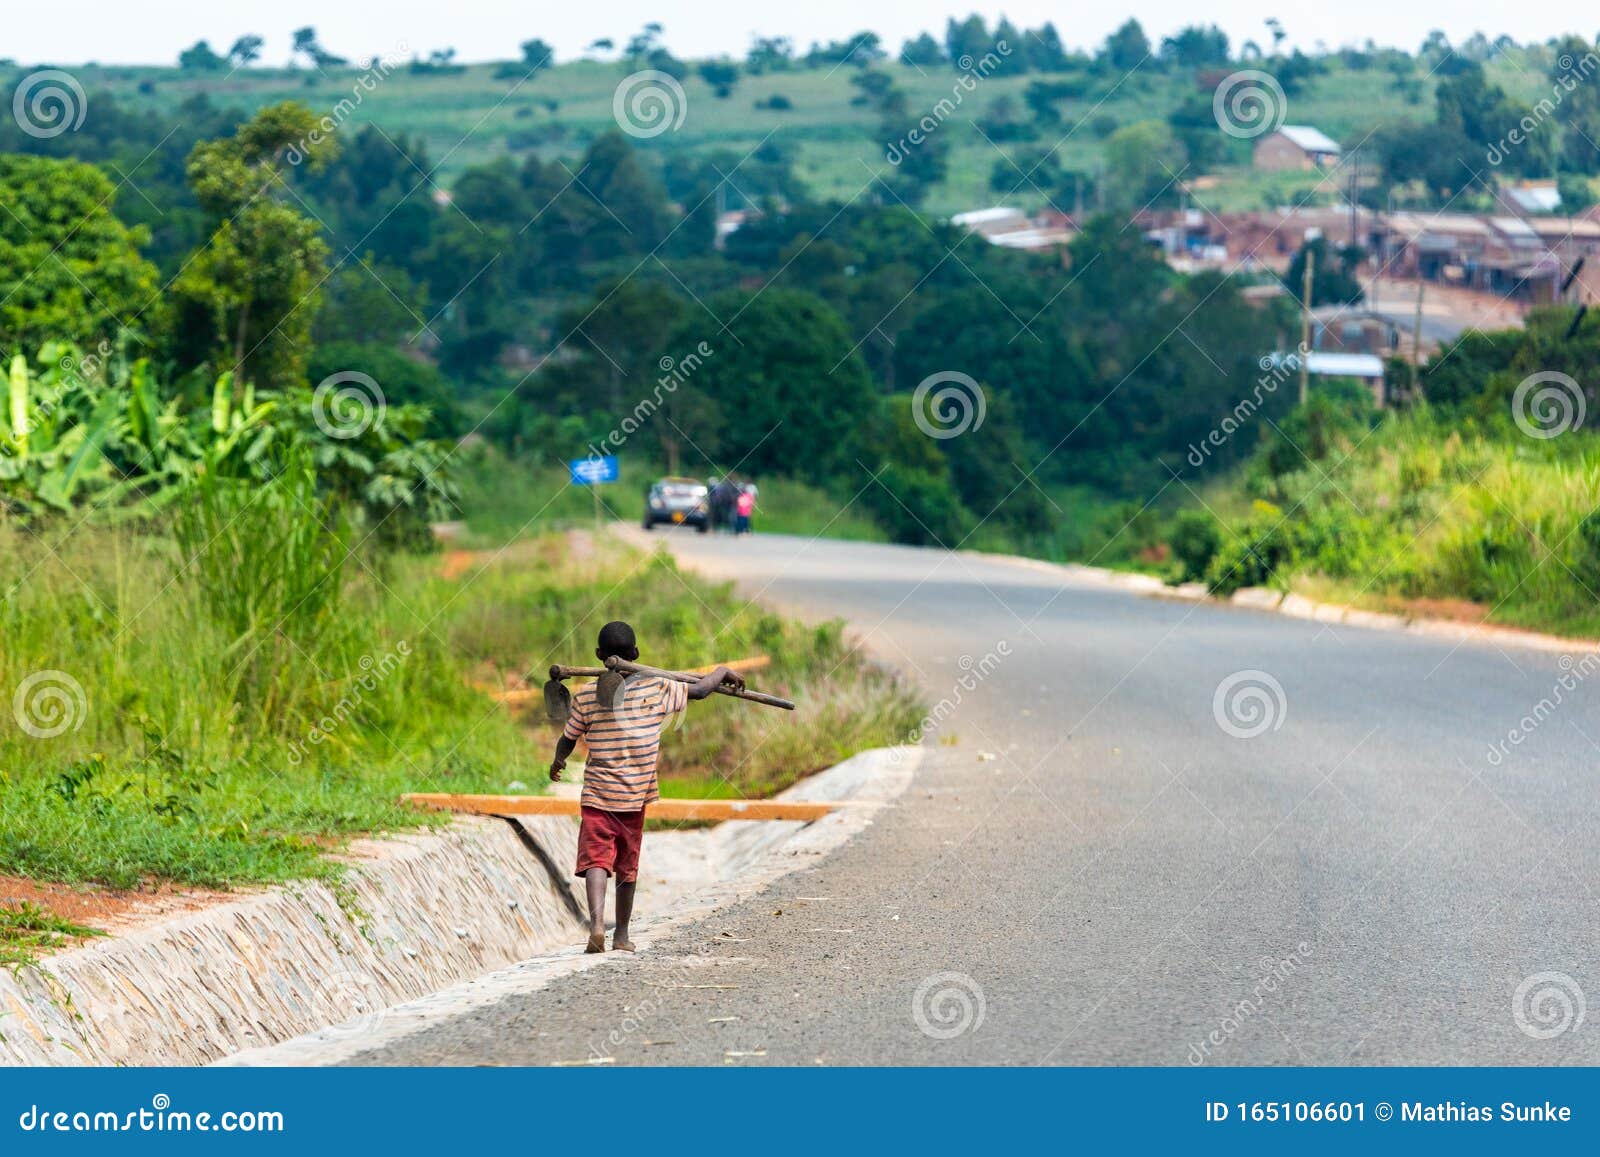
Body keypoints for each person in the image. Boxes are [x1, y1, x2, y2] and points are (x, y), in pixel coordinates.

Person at [548, 621, 745, 952]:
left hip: (597, 796)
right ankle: (621, 935)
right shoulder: (656, 689)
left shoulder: (584, 697)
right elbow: (699, 690)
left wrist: (558, 762)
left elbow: (567, 739)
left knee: (596, 859)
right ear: (636, 654)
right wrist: (721, 670)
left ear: (598, 656)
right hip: (635, 797)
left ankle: (596, 926)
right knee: (627, 866)